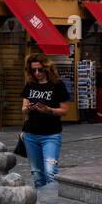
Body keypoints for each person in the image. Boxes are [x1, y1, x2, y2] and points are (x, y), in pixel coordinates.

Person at [20, 52, 70, 188]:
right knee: (37, 173)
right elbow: (23, 109)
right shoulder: (30, 85)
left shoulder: (57, 85)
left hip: (51, 135)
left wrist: (49, 110)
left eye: (40, 70)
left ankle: (53, 203)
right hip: (31, 134)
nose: (37, 73)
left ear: (47, 68)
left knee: (50, 171)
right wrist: (29, 108)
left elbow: (65, 110)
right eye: (33, 70)